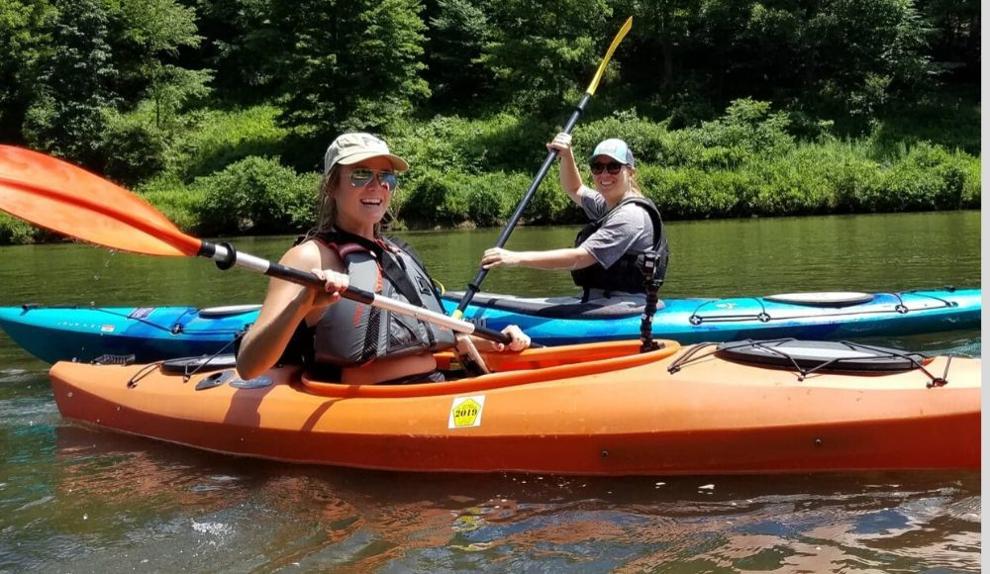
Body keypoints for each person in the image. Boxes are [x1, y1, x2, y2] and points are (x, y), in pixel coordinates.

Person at [236, 132, 530, 383]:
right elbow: (249, 366)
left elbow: (430, 334)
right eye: (361, 174)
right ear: (331, 185)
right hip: (374, 404)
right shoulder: (308, 257)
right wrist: (302, 304)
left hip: (433, 387)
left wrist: (495, 340)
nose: (377, 186)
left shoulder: (397, 253)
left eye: (386, 176)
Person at [480, 133, 668, 301]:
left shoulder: (630, 215)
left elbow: (580, 258)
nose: (604, 174)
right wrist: (566, 155)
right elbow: (574, 188)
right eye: (597, 167)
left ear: (630, 171)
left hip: (621, 306)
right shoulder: (607, 204)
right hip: (600, 300)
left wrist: (514, 258)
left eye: (613, 167)